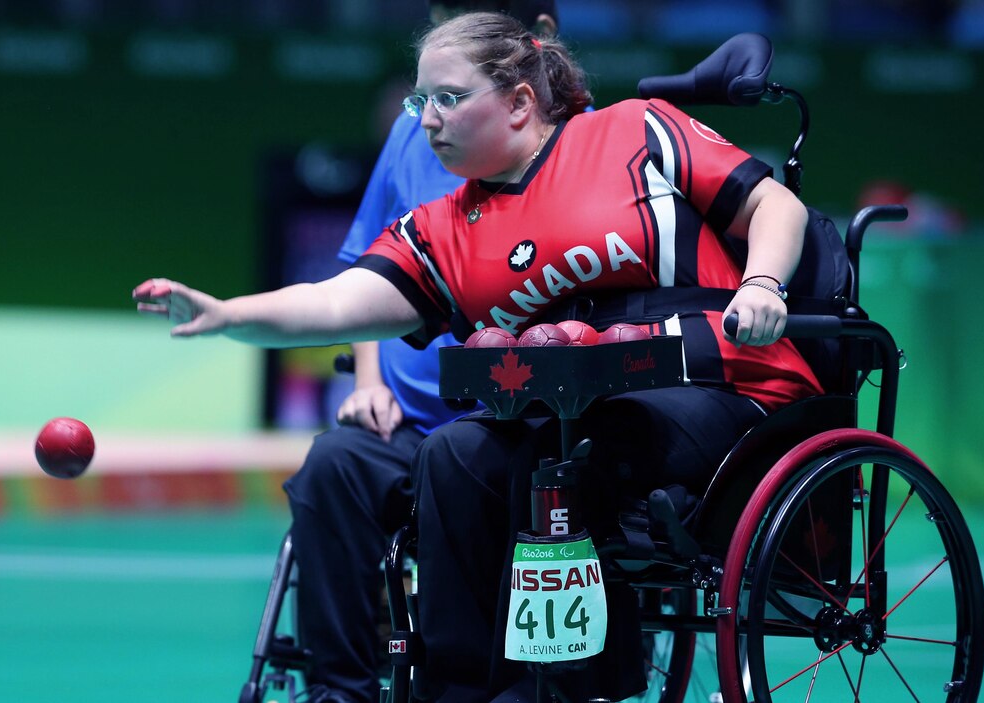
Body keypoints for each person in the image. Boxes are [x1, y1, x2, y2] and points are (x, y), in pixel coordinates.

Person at [134, 11, 819, 702]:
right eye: (419, 101)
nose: (427, 119)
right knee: (456, 453)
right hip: (577, 409)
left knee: (561, 459)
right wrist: (227, 314)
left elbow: (772, 205)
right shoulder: (446, 227)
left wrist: (762, 283)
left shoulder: (632, 130)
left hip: (719, 381)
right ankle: (458, 688)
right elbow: (339, 302)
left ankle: (562, 684)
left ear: (520, 102)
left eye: (448, 99)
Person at [284, 4, 563, 702]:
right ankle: (340, 689)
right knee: (333, 464)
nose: (434, 114)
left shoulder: (580, 148)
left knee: (457, 464)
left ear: (535, 36)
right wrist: (368, 378)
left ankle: (455, 689)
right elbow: (363, 271)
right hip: (404, 420)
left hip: (513, 434)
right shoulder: (416, 133)